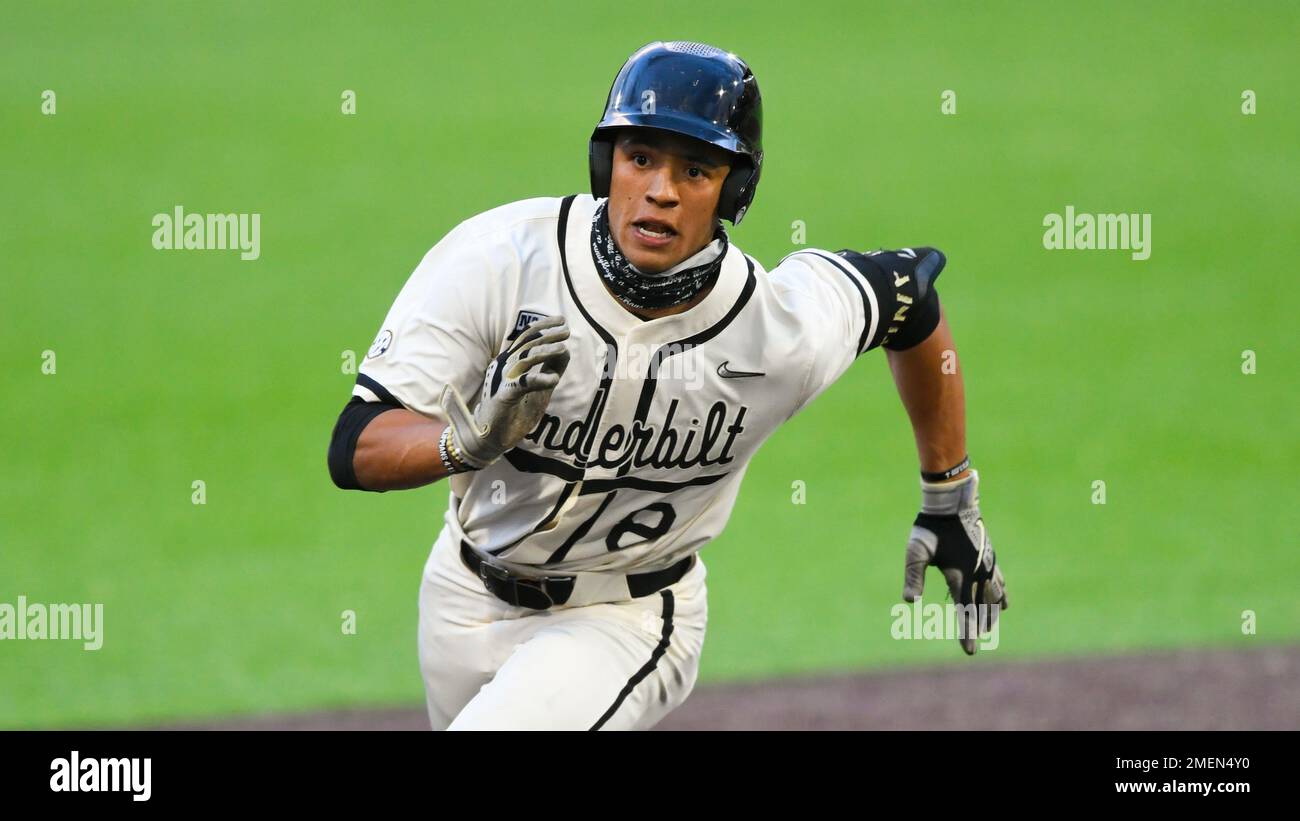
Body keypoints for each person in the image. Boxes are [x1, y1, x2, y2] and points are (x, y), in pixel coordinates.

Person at [328, 40, 1007, 730]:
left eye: (697, 169)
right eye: (641, 157)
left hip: (625, 619)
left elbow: (911, 295)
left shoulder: (778, 328)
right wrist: (461, 443)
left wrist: (949, 497)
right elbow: (356, 446)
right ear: (606, 164)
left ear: (734, 190)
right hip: (460, 593)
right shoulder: (499, 261)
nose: (660, 189)